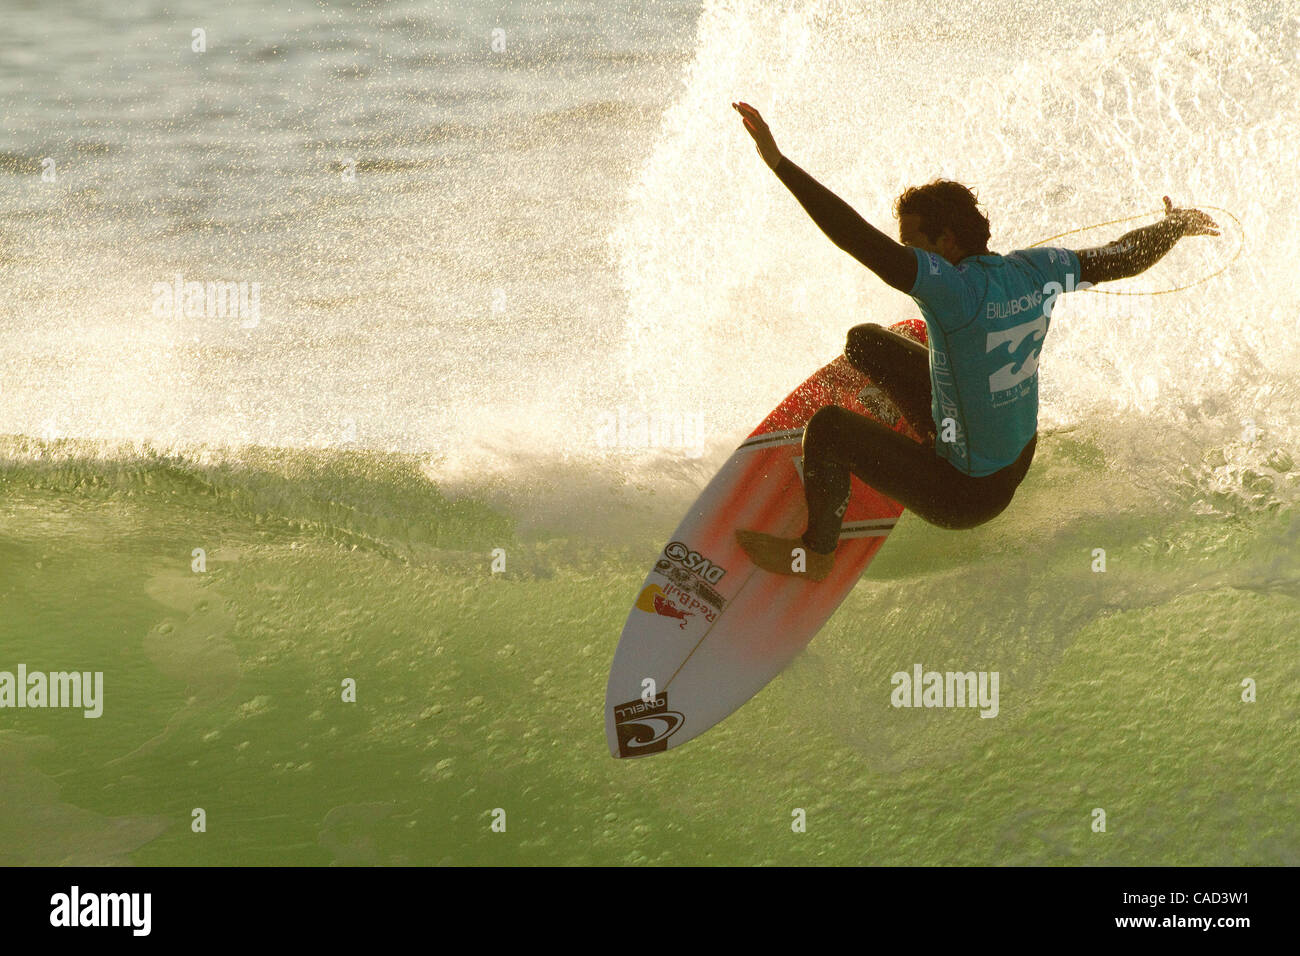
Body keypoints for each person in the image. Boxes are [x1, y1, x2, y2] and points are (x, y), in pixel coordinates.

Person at [730, 101, 1220, 582]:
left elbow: (854, 236)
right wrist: (1171, 228)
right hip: (1017, 456)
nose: (906, 253)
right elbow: (1120, 257)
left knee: (830, 429)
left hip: (964, 493)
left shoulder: (951, 289)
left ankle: (816, 553)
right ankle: (927, 421)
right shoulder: (1037, 269)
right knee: (866, 343)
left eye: (912, 242)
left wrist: (778, 162)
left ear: (946, 240)